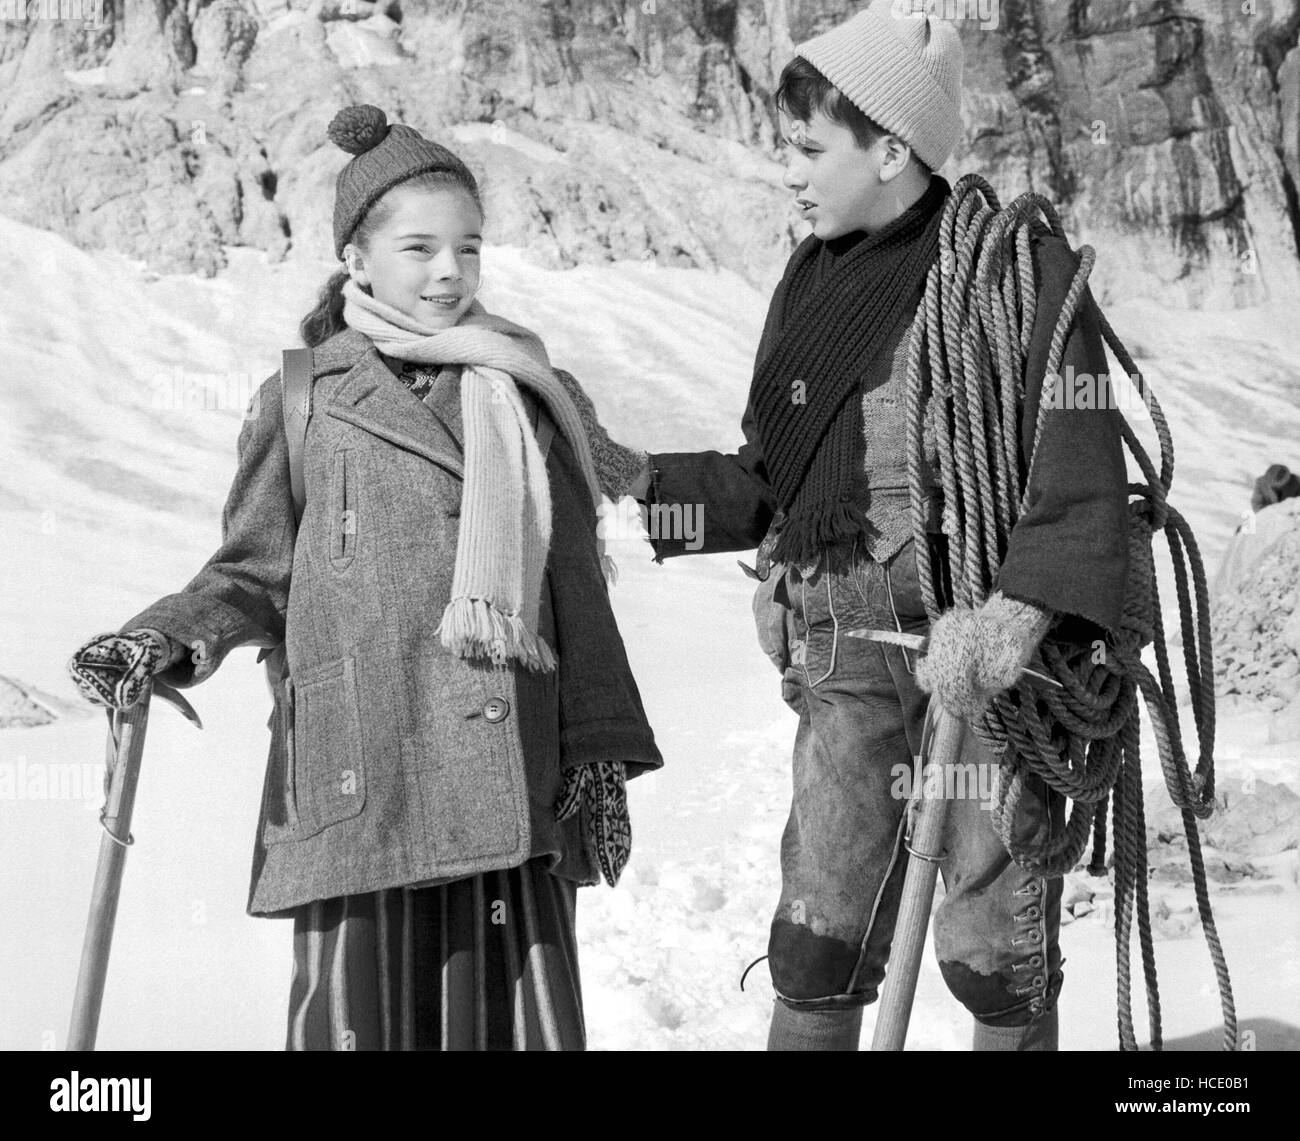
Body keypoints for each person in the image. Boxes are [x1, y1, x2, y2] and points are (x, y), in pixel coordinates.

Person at [67, 104, 661, 1051]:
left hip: (511, 777)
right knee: (358, 1027)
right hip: (360, 772)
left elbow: (577, 591)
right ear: (358, 258)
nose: (449, 272)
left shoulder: (529, 391)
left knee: (508, 1029)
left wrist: (597, 751)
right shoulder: (304, 398)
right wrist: (168, 636)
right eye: (420, 247)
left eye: (468, 249)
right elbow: (254, 572)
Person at [626, 1, 1129, 1050]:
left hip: (989, 672)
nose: (791, 172)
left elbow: (1079, 478)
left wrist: (1011, 618)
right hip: (848, 661)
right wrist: (638, 484)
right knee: (819, 937)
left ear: (893, 148)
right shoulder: (808, 285)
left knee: (995, 956)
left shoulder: (1015, 278)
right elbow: (773, 479)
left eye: (810, 148)